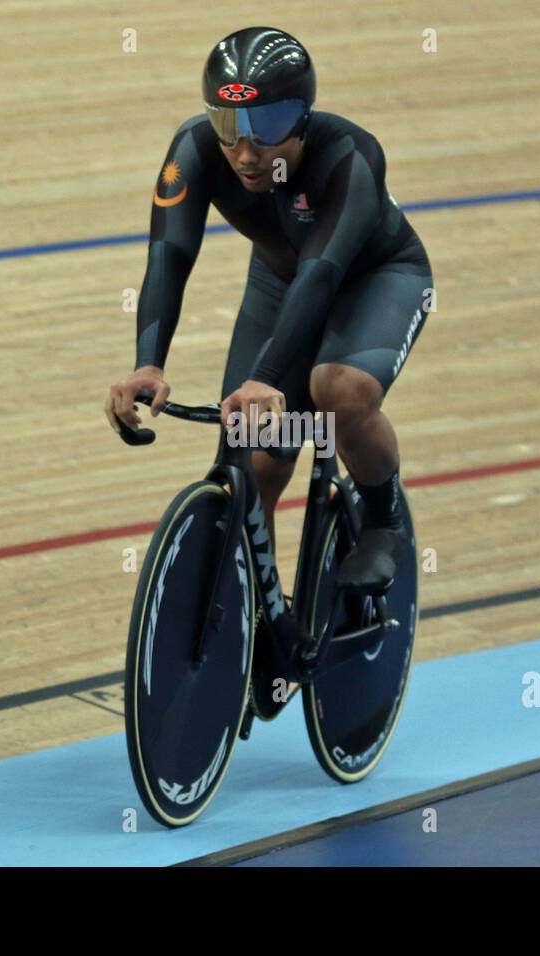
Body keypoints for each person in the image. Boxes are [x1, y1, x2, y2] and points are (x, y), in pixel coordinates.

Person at [104, 25, 432, 594]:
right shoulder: (193, 150)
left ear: (304, 117)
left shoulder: (350, 155)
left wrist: (267, 377)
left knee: (338, 391)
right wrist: (148, 363)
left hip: (373, 278)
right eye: (229, 128)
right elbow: (168, 256)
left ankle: (384, 520)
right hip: (283, 279)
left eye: (269, 129)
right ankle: (259, 620)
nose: (247, 154)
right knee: (253, 464)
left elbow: (324, 274)